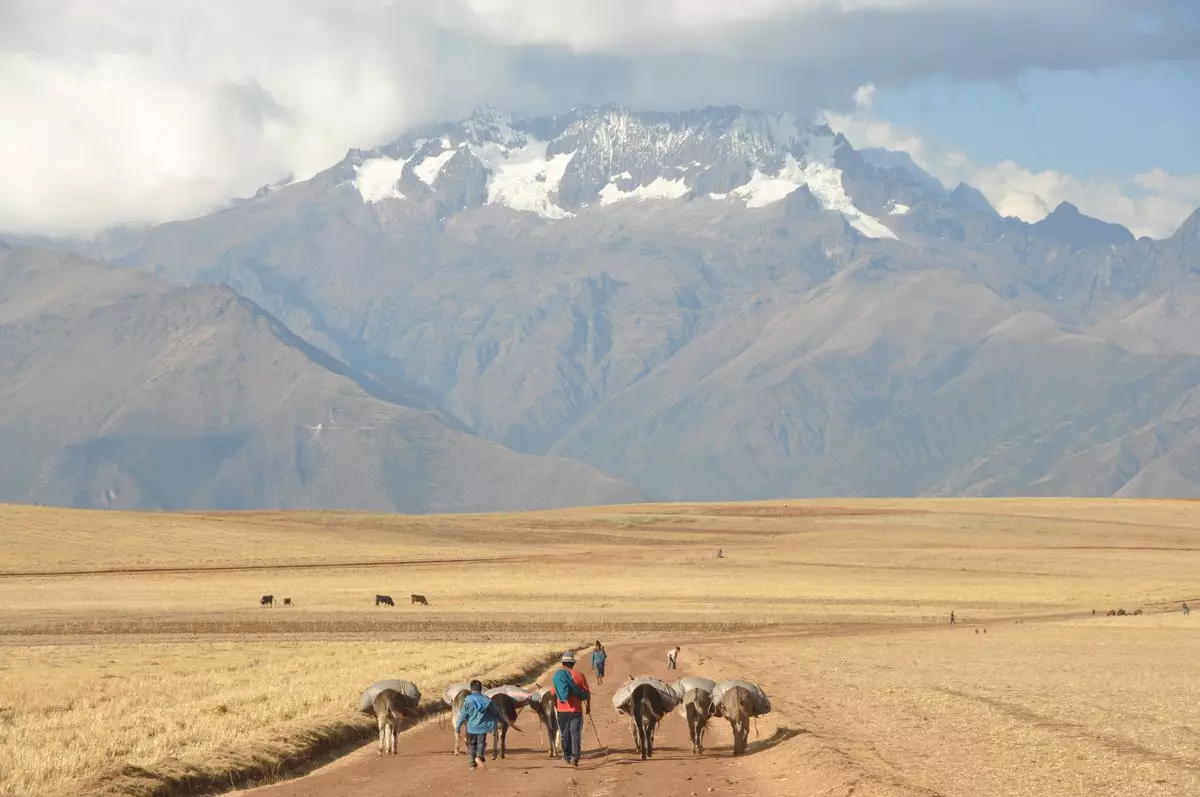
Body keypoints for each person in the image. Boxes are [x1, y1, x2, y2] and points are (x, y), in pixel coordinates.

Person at [552, 650, 591, 767]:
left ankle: (567, 755)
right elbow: (587, 693)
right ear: (573, 663)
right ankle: (575, 757)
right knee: (575, 734)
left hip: (562, 711)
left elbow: (553, 693)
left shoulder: (558, 676)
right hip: (576, 711)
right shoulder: (579, 675)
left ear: (563, 664)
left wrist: (556, 704)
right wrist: (588, 706)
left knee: (564, 734)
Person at [455, 679, 502, 770]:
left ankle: (471, 763)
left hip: (471, 727)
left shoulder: (467, 701)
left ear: (471, 689)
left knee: (472, 744)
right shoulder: (487, 700)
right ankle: (479, 757)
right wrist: (502, 719)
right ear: (481, 689)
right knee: (481, 743)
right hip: (483, 727)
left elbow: (462, 715)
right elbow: (496, 712)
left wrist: (457, 727)